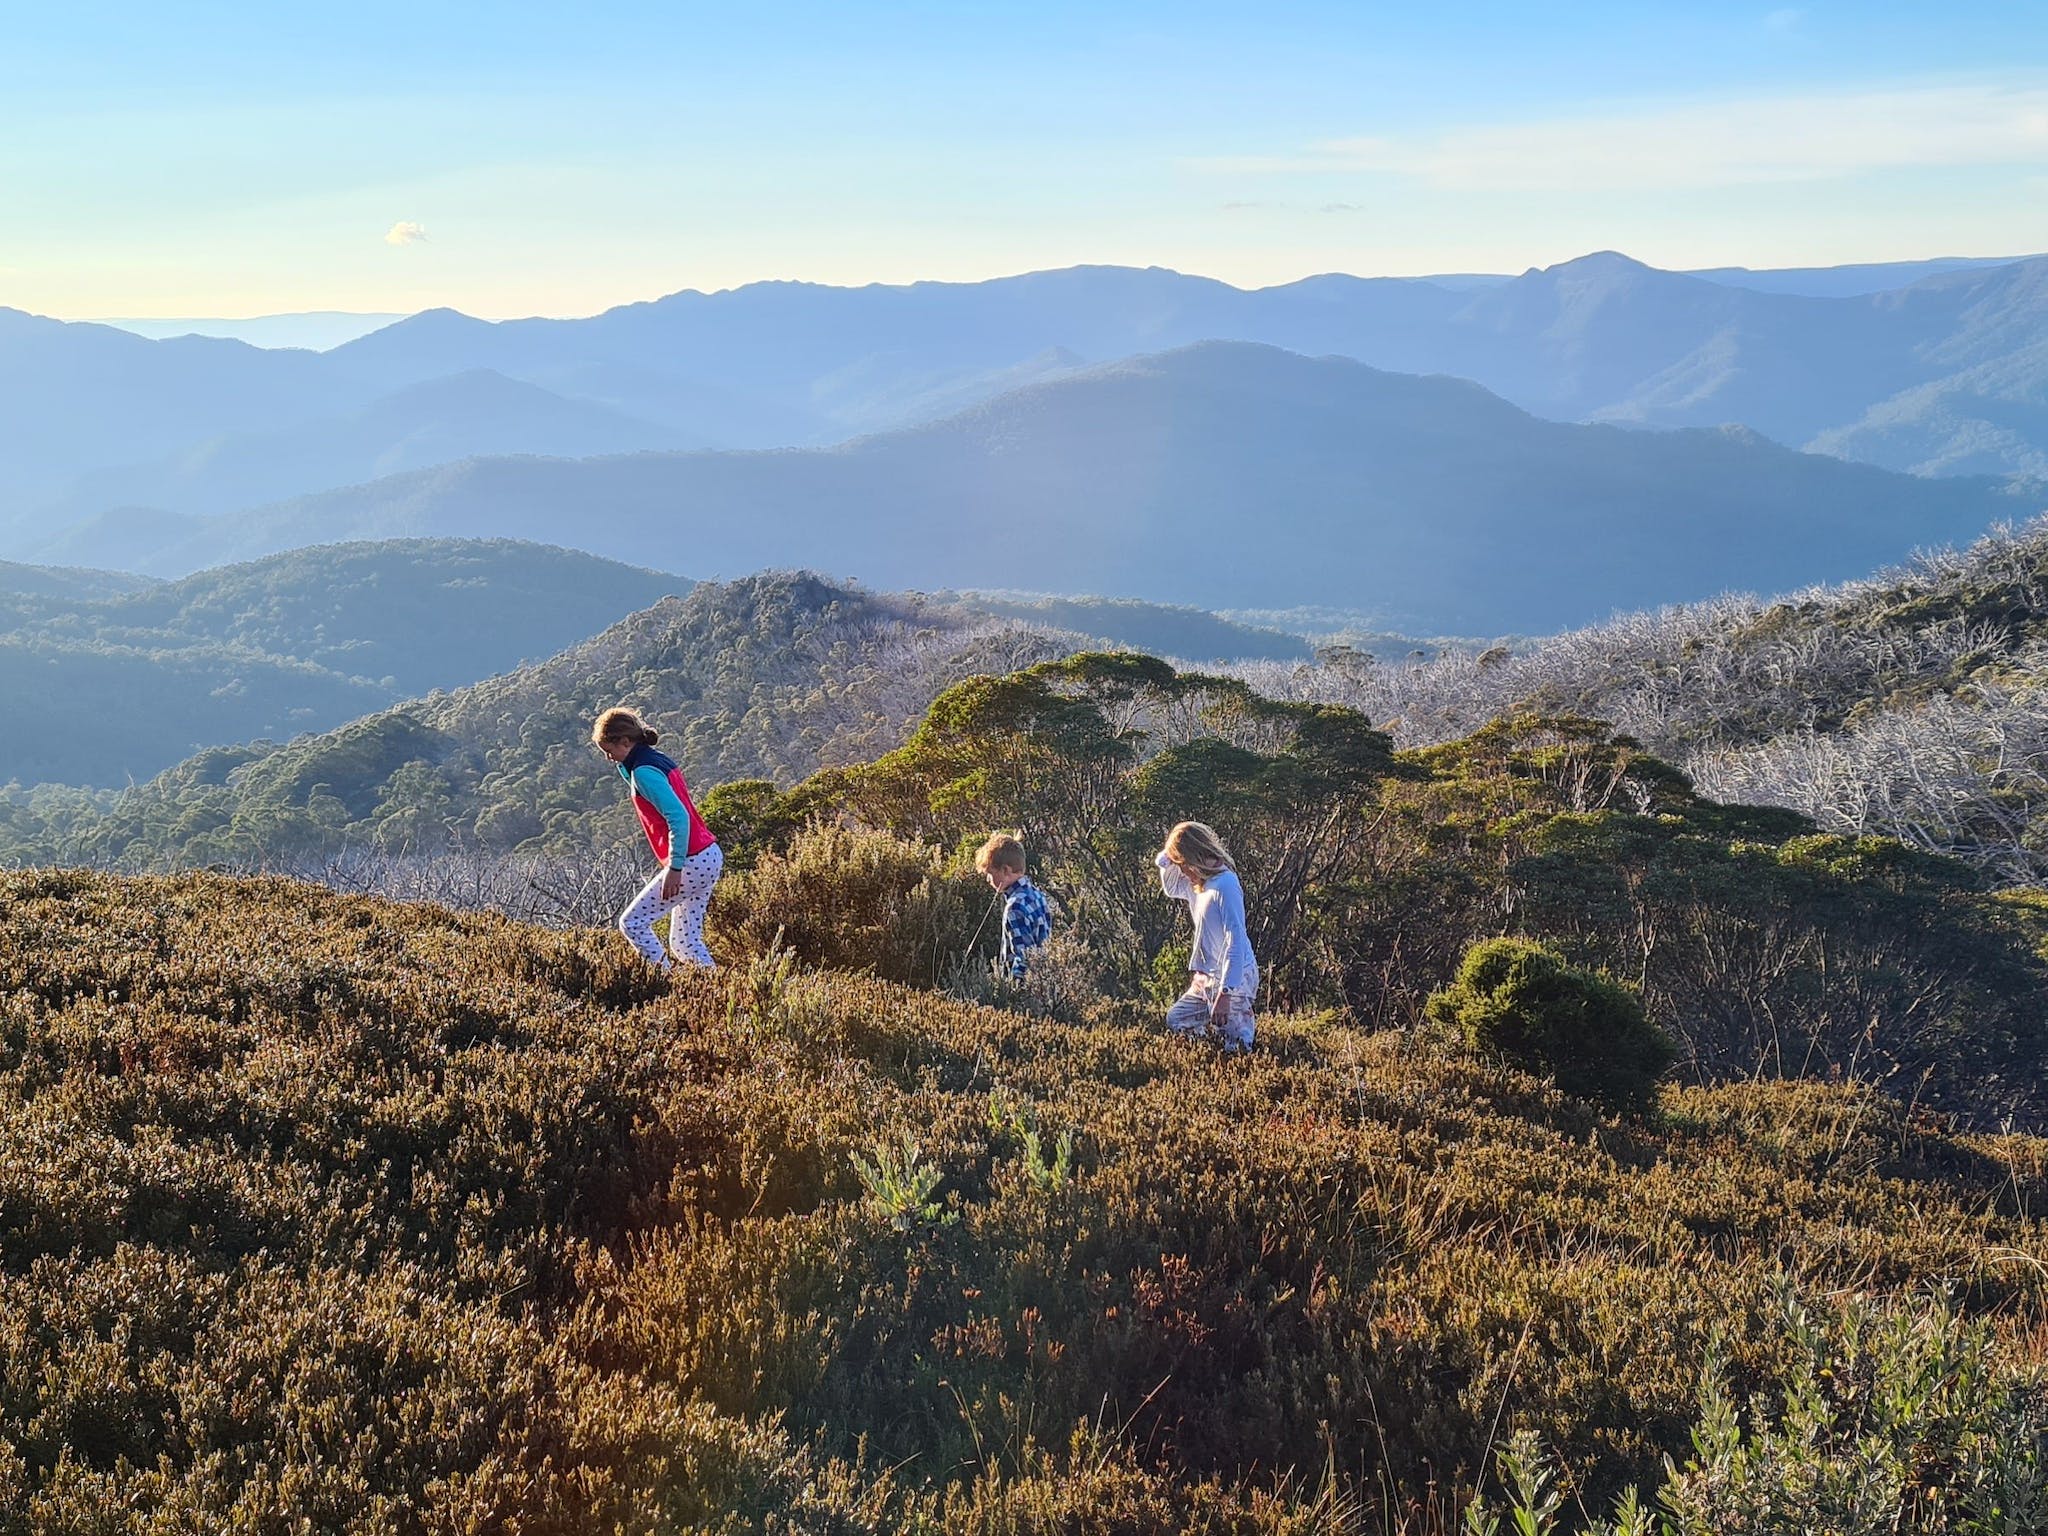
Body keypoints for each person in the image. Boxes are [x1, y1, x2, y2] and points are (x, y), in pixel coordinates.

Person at [592, 706, 722, 971]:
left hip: (690, 861)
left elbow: (679, 818)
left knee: (633, 924)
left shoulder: (643, 772)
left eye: (609, 750)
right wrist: (623, 763)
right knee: (685, 942)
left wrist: (675, 867)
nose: (608, 757)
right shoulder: (655, 759)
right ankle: (718, 988)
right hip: (708, 855)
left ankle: (666, 983)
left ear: (626, 742)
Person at [1155, 820, 1257, 1053]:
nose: (1182, 872)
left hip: (1234, 978)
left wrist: (1226, 993)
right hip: (1206, 976)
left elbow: (1236, 940)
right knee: (1178, 1020)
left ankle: (1245, 1073)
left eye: (1182, 865)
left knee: (1236, 1045)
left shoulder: (1225, 884)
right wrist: (1166, 858)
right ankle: (1207, 1063)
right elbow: (1171, 887)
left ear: (1194, 857)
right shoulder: (1198, 885)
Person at [974, 833, 1051, 982]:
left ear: (1005, 870)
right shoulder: (1038, 895)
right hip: (1045, 980)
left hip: (1026, 988)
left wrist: (1014, 991)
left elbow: (1023, 957)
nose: (988, 880)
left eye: (990, 874)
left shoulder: (1015, 906)